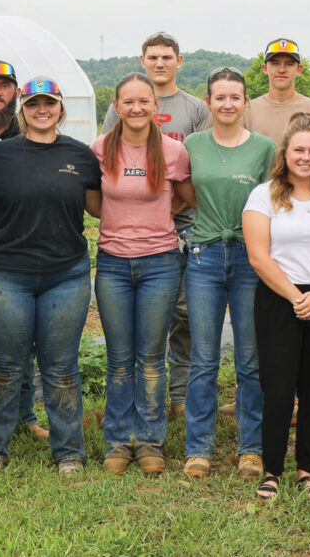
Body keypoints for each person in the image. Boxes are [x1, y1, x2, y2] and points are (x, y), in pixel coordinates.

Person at [0, 77, 102, 477]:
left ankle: (69, 453)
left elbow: (99, 208)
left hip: (65, 275)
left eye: (49, 103)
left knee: (61, 366)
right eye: (33, 104)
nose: (41, 110)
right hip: (4, 274)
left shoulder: (80, 155)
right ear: (22, 110)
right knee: (6, 364)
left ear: (60, 108)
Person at [100, 32, 210, 413]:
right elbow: (106, 166)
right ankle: (138, 407)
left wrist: (169, 209)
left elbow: (193, 170)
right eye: (153, 57)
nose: (160, 63)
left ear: (179, 61)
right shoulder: (119, 112)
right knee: (138, 333)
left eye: (167, 57)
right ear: (143, 60)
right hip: (130, 232)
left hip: (182, 224)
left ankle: (180, 397)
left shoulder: (195, 109)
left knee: (184, 314)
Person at [242, 113, 310, 501]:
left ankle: (307, 471)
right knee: (279, 389)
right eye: (299, 150)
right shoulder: (264, 195)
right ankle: (272, 470)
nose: (306, 157)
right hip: (278, 299)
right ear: (285, 153)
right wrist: (295, 297)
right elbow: (258, 256)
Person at [92, 72, 194, 475]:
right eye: (128, 102)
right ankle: (119, 442)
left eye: (144, 101)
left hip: (160, 263)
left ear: (155, 106)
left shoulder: (173, 151)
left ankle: (150, 441)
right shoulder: (100, 149)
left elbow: (187, 199)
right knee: (119, 358)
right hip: (113, 264)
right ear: (116, 106)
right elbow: (94, 204)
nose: (136, 108)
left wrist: (156, 220)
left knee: (152, 357)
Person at [182, 67, 276, 480]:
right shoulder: (191, 144)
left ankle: (250, 449)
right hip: (202, 254)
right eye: (219, 97)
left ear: (245, 102)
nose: (227, 104)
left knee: (250, 359)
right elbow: (186, 191)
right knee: (203, 358)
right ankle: (198, 449)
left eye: (235, 97)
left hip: (248, 258)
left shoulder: (263, 148)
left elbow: (274, 199)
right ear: (208, 102)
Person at [0, 59, 48, 442]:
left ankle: (25, 415)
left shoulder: (31, 130)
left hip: (23, 250)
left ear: (16, 91)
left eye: (4, 85)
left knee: (25, 341)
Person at [242, 38, 310, 148]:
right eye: (275, 63)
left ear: (299, 69)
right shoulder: (247, 111)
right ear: (264, 68)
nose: (282, 69)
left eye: (289, 64)